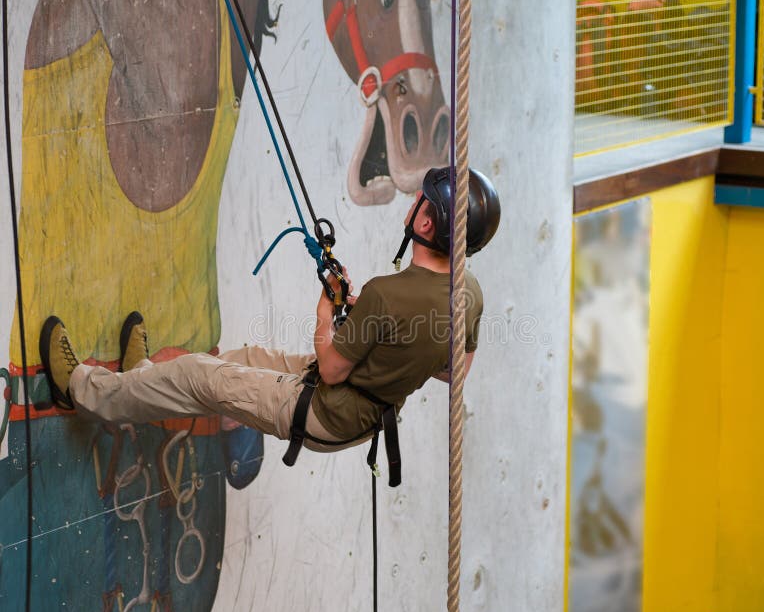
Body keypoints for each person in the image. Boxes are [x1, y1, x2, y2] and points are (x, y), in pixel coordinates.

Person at [39, 167, 500, 456]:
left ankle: (79, 390)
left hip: (325, 409)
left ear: (424, 222)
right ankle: (137, 377)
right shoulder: (470, 292)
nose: (413, 200)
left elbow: (335, 369)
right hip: (360, 411)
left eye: (419, 198)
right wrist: (379, 336)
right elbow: (452, 370)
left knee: (199, 375)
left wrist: (327, 315)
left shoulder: (388, 295)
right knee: (234, 360)